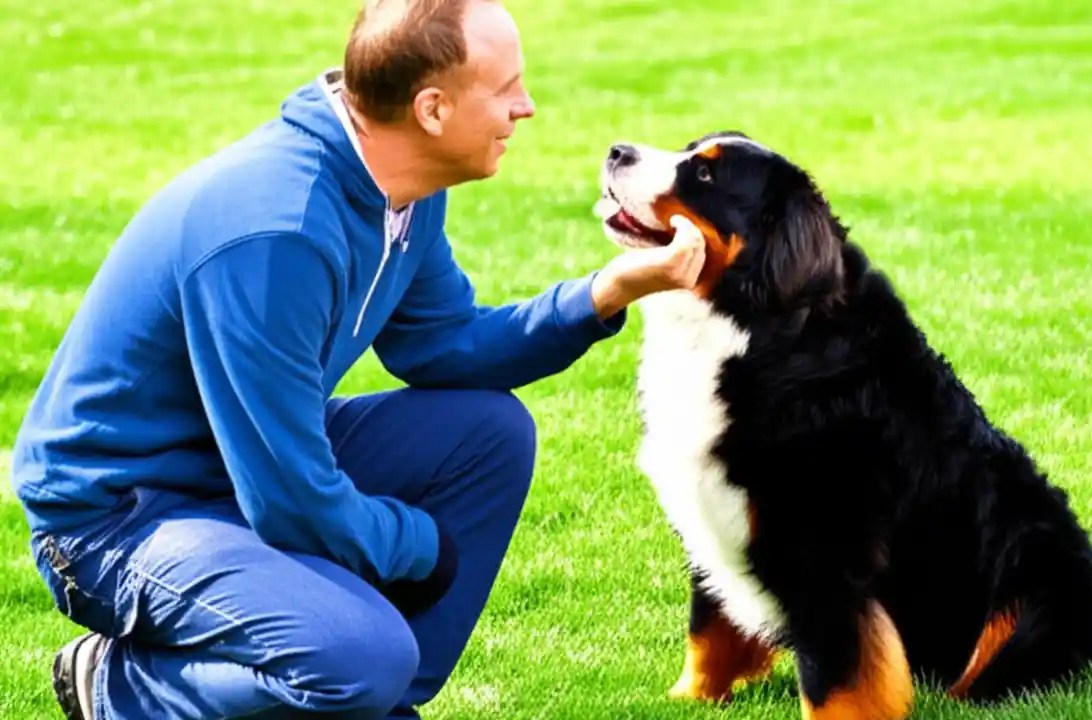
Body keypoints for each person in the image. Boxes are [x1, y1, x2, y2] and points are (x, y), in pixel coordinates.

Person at [11, 0, 706, 718]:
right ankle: (120, 687)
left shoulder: (400, 191)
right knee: (360, 655)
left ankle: (374, 706)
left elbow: (442, 343)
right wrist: (415, 545)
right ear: (432, 109)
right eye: (506, 89)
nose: (525, 108)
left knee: (488, 435)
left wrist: (603, 293)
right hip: (117, 517)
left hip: (235, 468)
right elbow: (291, 500)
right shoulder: (276, 232)